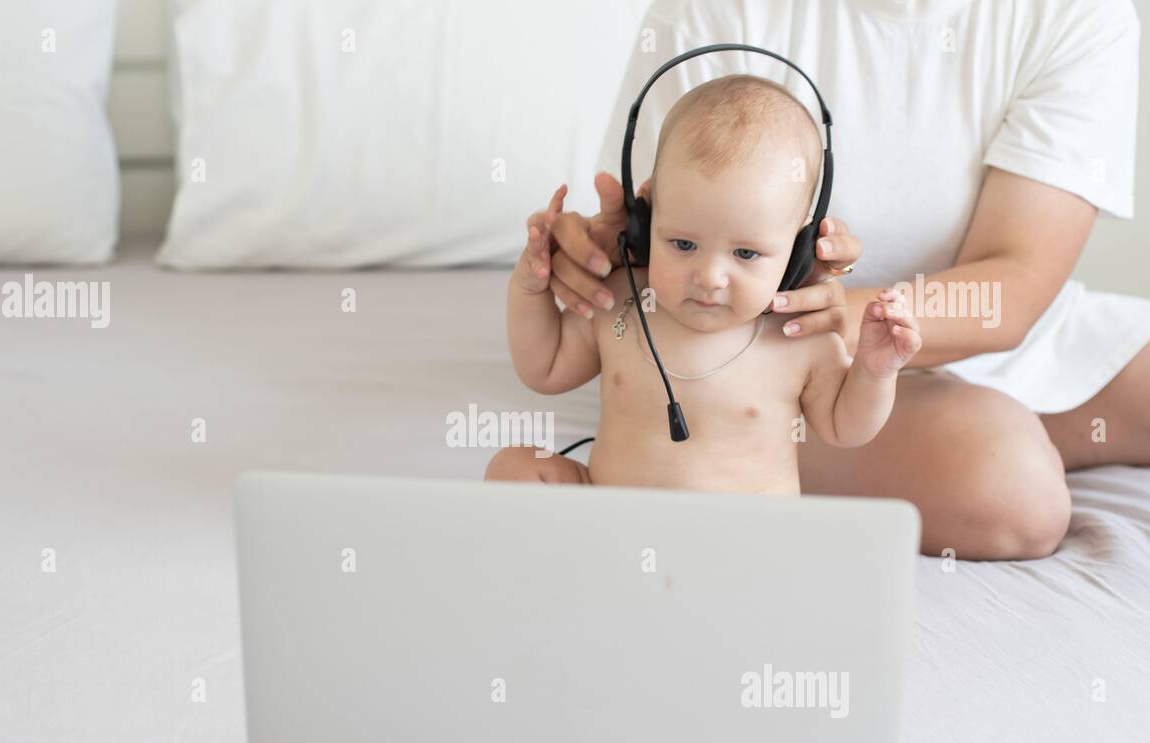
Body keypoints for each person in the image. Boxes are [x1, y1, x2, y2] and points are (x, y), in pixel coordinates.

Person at [536, 0, 1145, 560]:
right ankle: (746, 437)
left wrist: (849, 312)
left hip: (906, 324)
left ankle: (970, 419)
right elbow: (670, 251)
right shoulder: (715, 12)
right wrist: (600, 253)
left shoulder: (1079, 15)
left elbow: (1011, 289)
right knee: (1014, 488)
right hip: (765, 349)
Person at [489, 75, 922, 493]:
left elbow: (846, 426)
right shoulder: (622, 301)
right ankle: (579, 559)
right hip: (614, 520)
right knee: (515, 467)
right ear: (645, 221)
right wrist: (531, 288)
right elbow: (543, 368)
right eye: (683, 243)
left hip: (737, 537)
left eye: (746, 254)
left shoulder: (798, 336)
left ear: (800, 248)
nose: (710, 277)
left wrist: (874, 370)